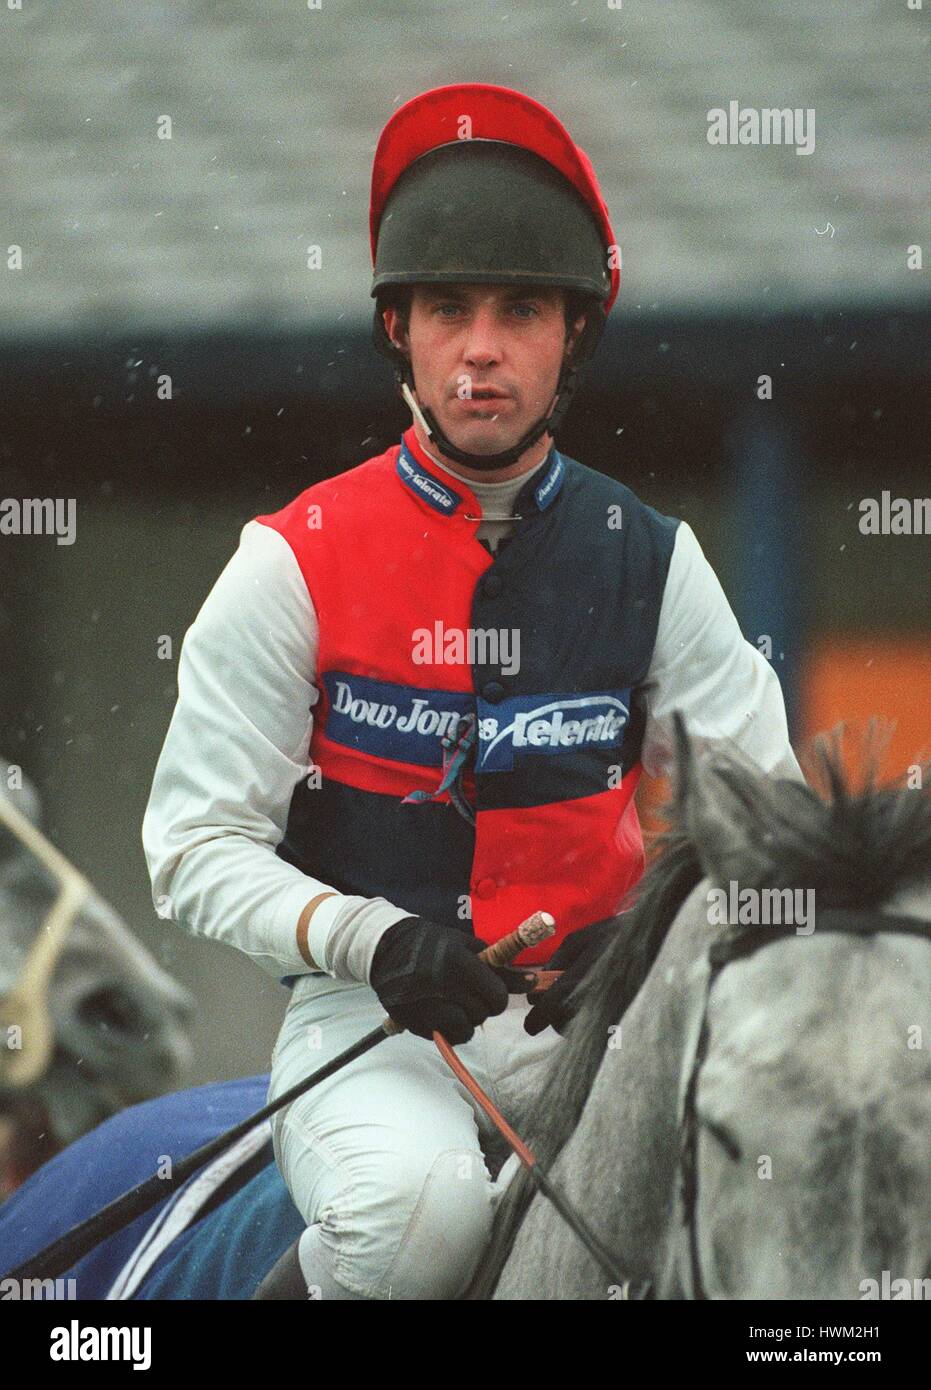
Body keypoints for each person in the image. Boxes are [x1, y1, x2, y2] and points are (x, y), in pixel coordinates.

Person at [142, 83, 804, 1301]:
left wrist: (650, 946)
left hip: (598, 1039)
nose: (483, 348)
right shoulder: (290, 557)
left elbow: (768, 833)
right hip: (378, 1034)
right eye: (448, 310)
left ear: (574, 337)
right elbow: (189, 846)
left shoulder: (655, 560)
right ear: (400, 330)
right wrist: (375, 936)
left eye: (521, 312)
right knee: (421, 1223)